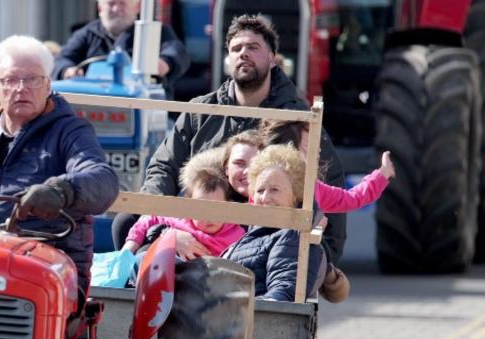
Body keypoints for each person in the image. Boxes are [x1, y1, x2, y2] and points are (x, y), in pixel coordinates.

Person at [137, 14, 347, 265]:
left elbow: (329, 181)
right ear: (228, 59)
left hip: (264, 245)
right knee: (124, 225)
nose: (243, 53)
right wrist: (163, 230)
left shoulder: (298, 120)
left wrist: (325, 255)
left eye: (253, 47)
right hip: (191, 232)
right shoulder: (199, 112)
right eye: (236, 48)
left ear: (272, 58)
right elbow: (163, 168)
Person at [0, 35, 119, 296]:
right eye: (10, 80)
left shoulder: (71, 132)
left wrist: (61, 191)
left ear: (48, 85)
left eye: (32, 79)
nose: (21, 88)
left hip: (47, 258)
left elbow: (103, 181)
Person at [222, 144, 324, 302]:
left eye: (275, 189)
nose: (265, 198)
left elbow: (282, 291)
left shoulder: (292, 236)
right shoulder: (256, 232)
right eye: (260, 190)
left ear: (296, 195)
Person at [53, 0, 189, 99]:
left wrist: (165, 62)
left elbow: (177, 51)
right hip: (96, 109)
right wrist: (67, 70)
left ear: (136, 7)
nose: (116, 9)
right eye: (111, 3)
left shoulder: (154, 31)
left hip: (148, 112)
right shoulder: (87, 34)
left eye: (122, 3)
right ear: (100, 8)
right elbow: (62, 59)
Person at [122, 147, 244, 259]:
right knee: (143, 257)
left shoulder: (236, 233)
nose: (209, 217)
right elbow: (149, 219)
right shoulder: (180, 220)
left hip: (218, 277)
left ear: (227, 206)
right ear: (188, 206)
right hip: (177, 274)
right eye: (201, 209)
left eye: (217, 208)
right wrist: (130, 246)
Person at [258, 118, 396, 213]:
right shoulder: (258, 184)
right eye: (309, 147)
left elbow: (352, 198)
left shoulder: (314, 187)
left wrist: (382, 174)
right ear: (287, 152)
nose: (318, 151)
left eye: (317, 146)